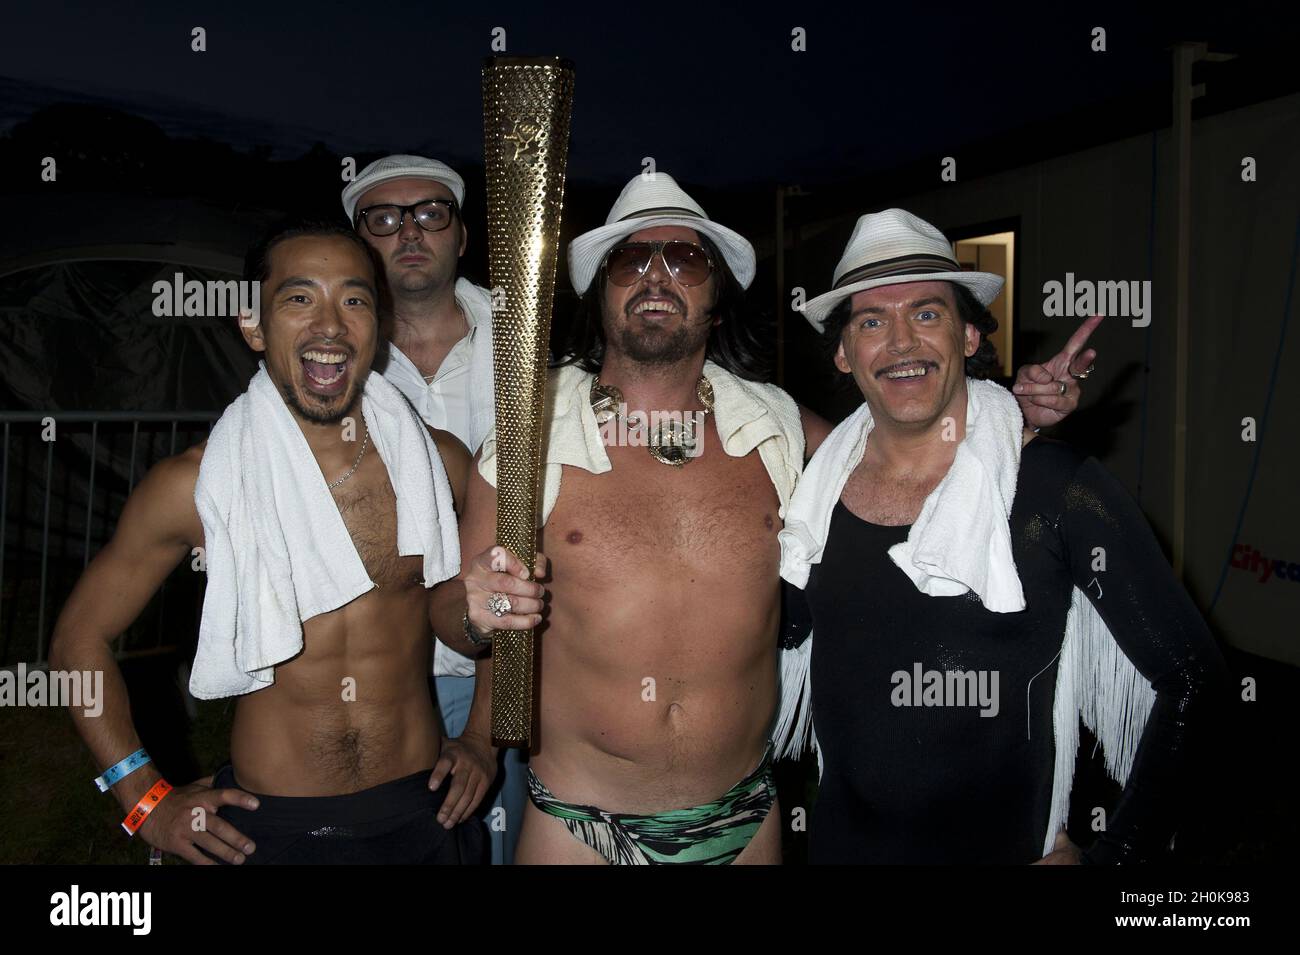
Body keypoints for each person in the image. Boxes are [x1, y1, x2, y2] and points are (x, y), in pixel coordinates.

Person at [431, 175, 1096, 864]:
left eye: (685, 261)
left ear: (715, 298)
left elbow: (911, 459)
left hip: (747, 820)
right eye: (632, 261)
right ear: (602, 295)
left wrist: (999, 412)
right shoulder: (529, 436)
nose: (657, 277)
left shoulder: (775, 426)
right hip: (579, 827)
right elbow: (454, 614)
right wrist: (478, 611)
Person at [774, 208, 1228, 863]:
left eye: (927, 314)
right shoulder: (807, 498)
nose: (901, 342)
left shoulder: (1053, 487)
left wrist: (1116, 858)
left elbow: (1196, 680)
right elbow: (768, 635)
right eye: (872, 321)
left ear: (965, 335)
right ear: (844, 352)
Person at [50, 221, 492, 864]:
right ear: (254, 327)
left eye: (355, 299)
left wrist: (482, 736)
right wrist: (143, 799)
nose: (331, 325)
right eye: (298, 298)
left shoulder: (437, 465)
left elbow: (489, 608)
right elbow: (76, 641)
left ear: (379, 325)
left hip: (420, 807)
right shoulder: (195, 485)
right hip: (268, 825)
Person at [342, 155, 525, 864]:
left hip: (510, 668)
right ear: (360, 239)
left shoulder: (525, 340)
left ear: (462, 234)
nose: (409, 232)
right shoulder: (328, 359)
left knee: (503, 845)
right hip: (377, 670)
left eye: (430, 213)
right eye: (384, 219)